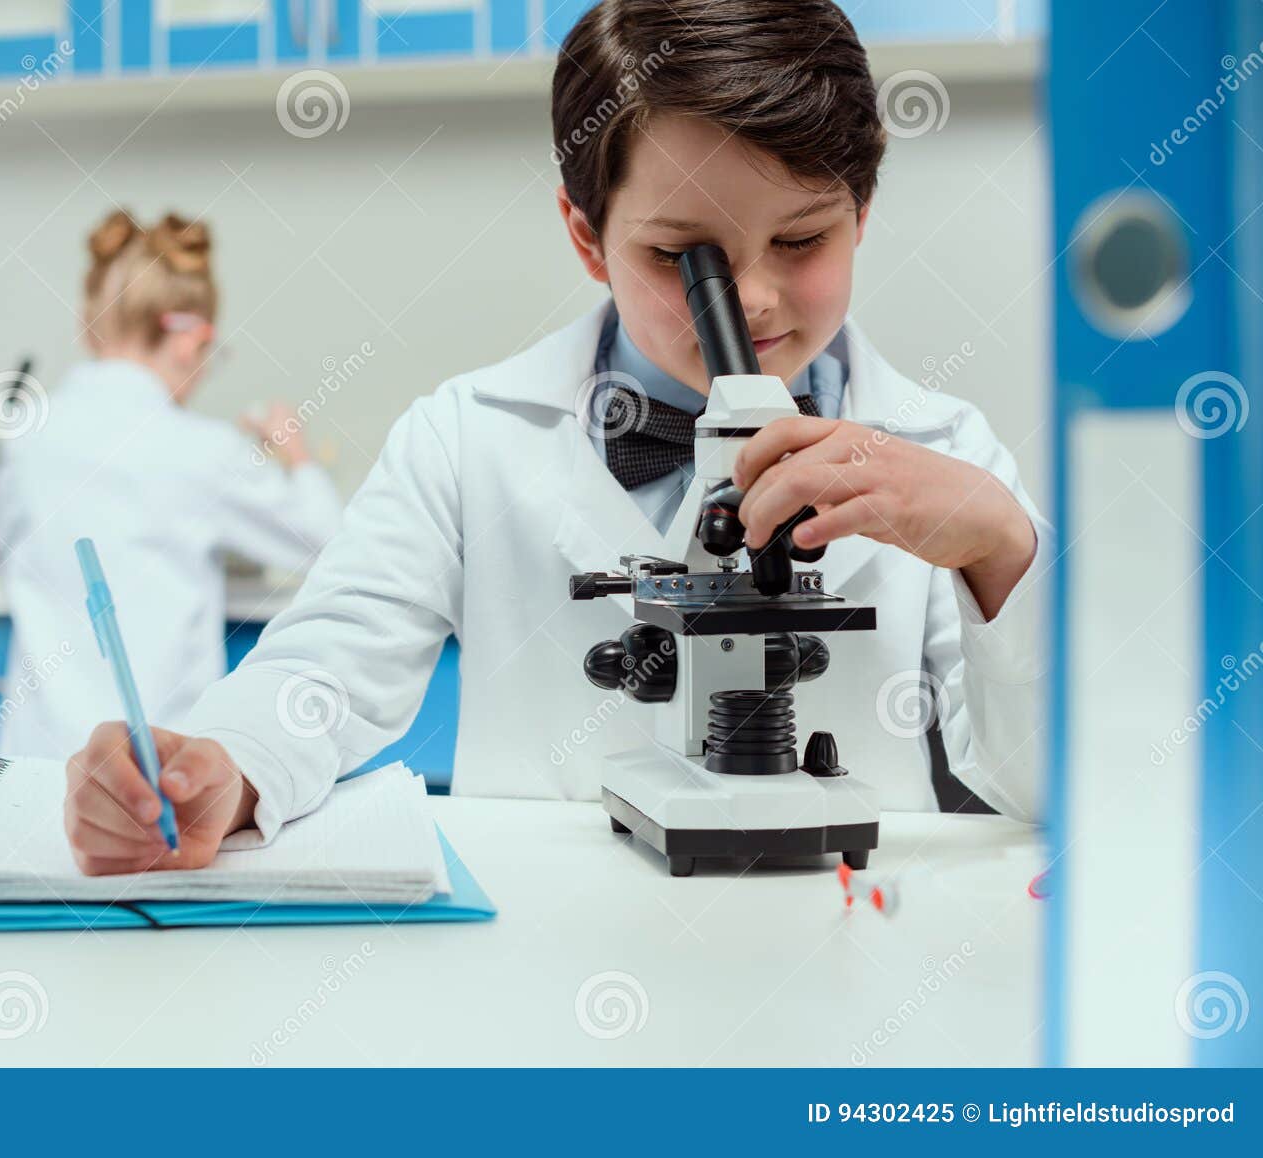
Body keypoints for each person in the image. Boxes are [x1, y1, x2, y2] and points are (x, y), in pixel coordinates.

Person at [61, 0, 1051, 874]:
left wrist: (1000, 551)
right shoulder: (467, 437)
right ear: (587, 237)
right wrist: (221, 767)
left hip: (843, 965)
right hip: (547, 966)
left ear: (862, 215)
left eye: (801, 241)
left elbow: (1048, 792)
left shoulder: (946, 446)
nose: (749, 300)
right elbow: (323, 670)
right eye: (682, 257)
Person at [0, 208, 342, 762]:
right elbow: (328, 542)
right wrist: (295, 453)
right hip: (149, 782)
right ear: (189, 341)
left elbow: (2, 538)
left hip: (30, 766)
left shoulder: (26, 436)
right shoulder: (203, 452)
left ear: (87, 325)